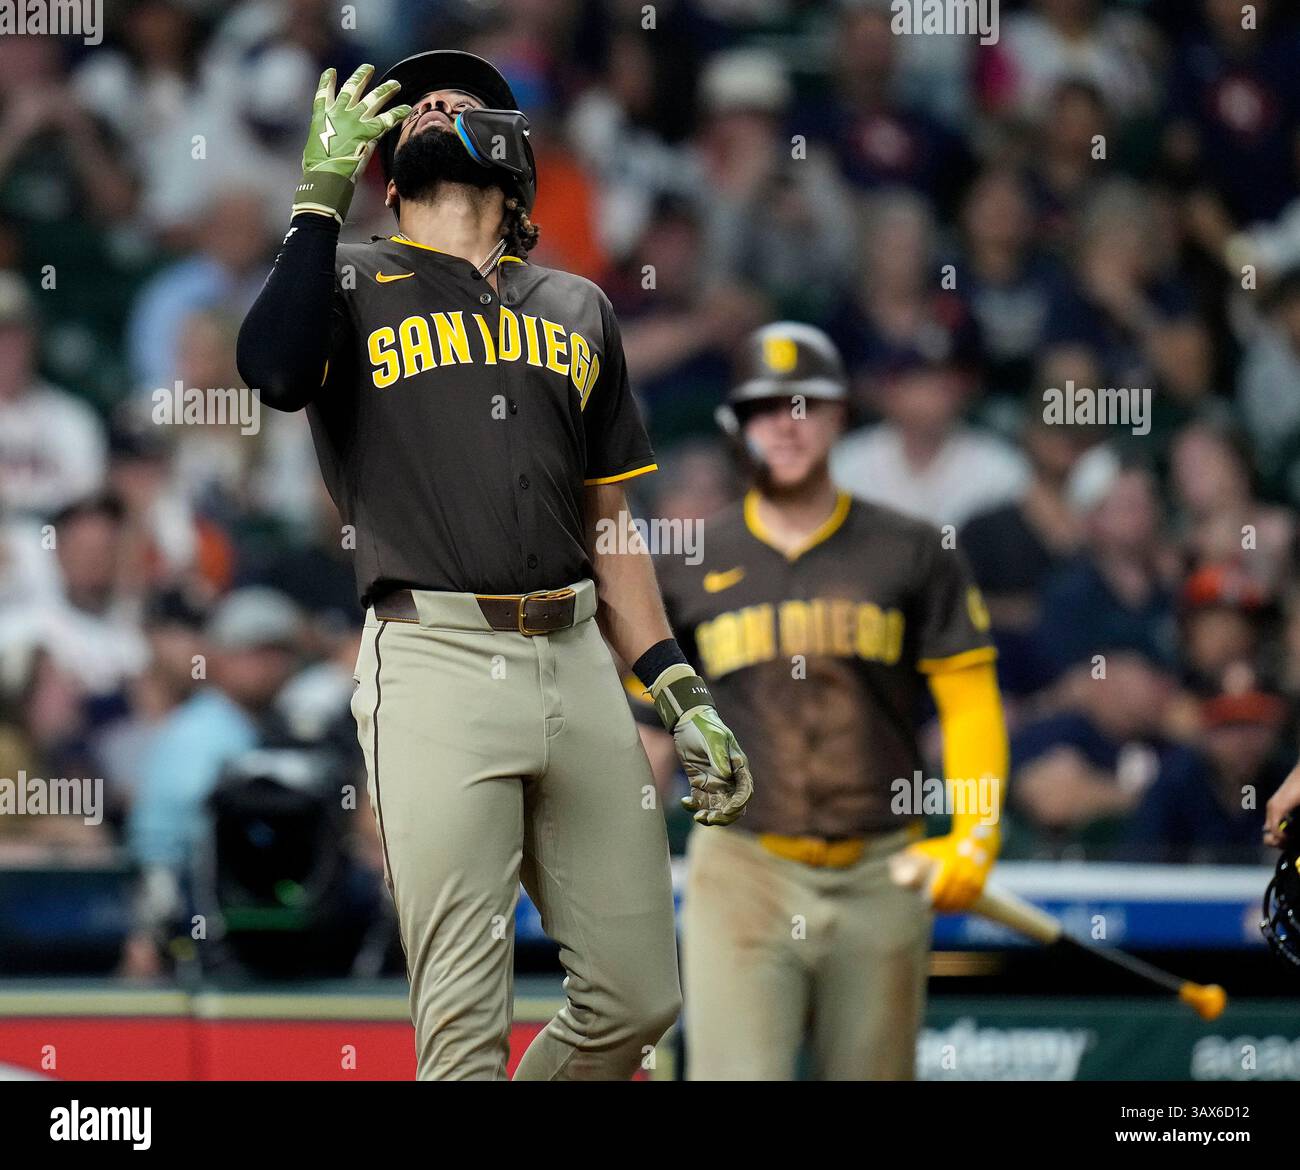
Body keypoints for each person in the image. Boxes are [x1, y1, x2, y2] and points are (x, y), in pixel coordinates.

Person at [236, 54, 752, 1081]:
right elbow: (275, 371)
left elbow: (610, 523)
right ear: (386, 170)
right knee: (464, 1030)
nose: (432, 102)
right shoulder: (344, 275)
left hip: (576, 661)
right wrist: (313, 205)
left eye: (461, 99)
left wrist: (676, 686)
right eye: (418, 101)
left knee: (638, 999)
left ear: (516, 159)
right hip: (434, 657)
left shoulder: (577, 306)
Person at [657, 322, 1008, 1079]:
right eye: (765, 407)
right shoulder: (686, 561)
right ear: (736, 426)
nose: (787, 426)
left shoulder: (914, 548)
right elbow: (638, 714)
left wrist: (976, 831)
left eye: (806, 405)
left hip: (882, 868)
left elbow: (971, 701)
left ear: (843, 415)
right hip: (742, 869)